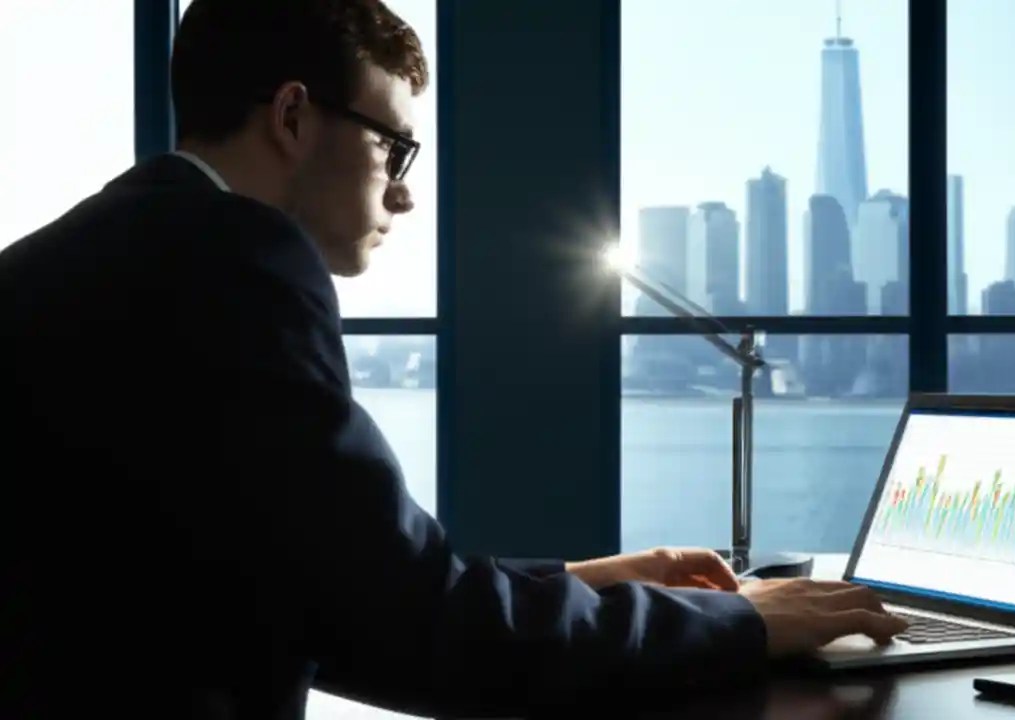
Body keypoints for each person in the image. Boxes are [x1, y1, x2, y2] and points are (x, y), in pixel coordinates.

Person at [0, 0, 907, 717]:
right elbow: (415, 631)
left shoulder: (85, 253)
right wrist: (738, 623)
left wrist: (585, 580)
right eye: (393, 144)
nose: (402, 190)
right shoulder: (239, 266)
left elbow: (331, 576)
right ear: (291, 115)